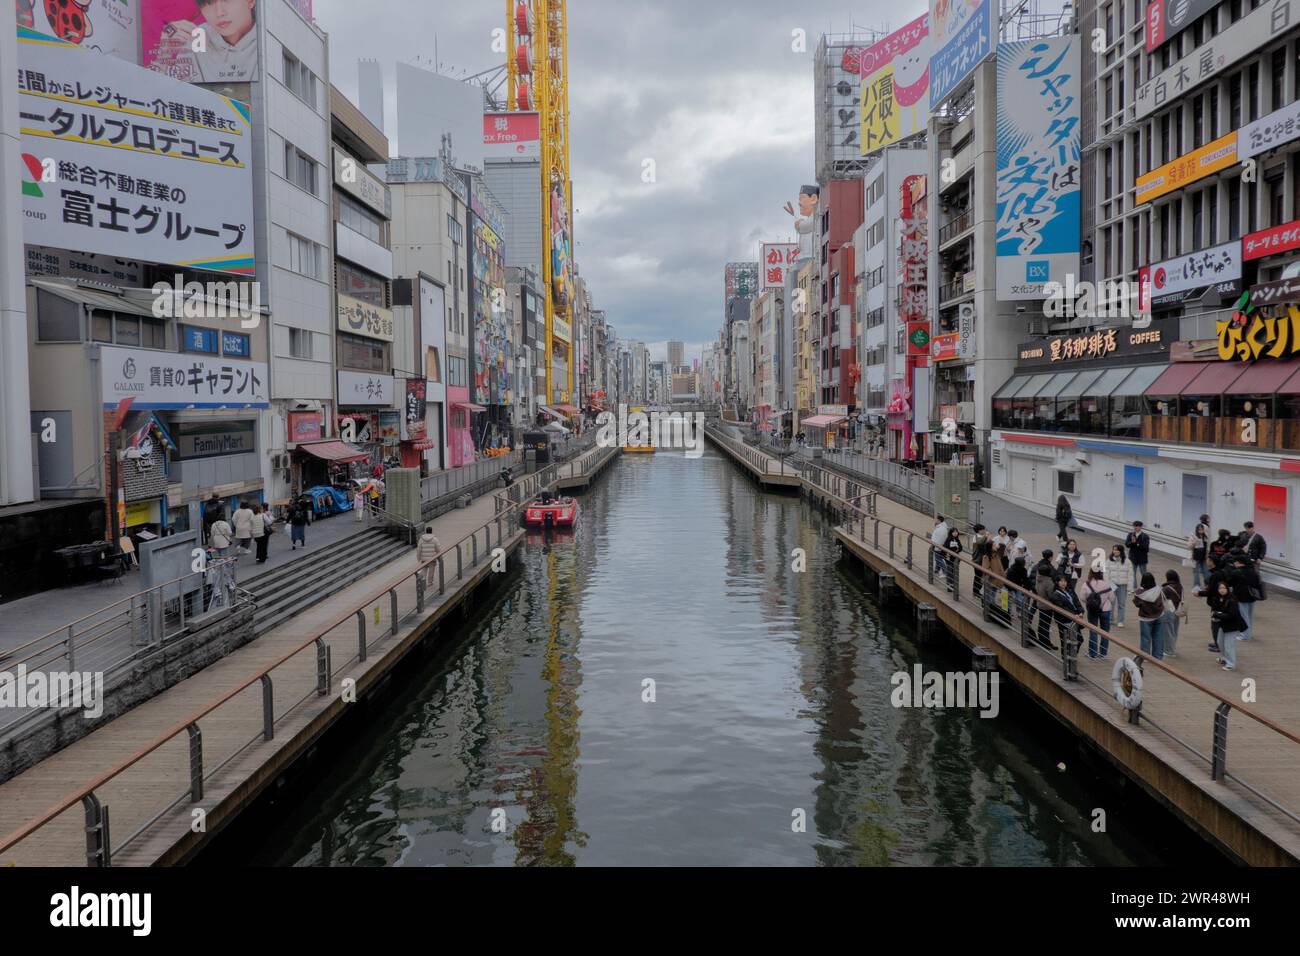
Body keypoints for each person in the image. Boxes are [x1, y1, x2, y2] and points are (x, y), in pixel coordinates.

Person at [1208, 580, 1247, 671]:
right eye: (1220, 588)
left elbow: (1232, 615)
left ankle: (1231, 664)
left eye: (1223, 588)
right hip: (1224, 625)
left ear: (1227, 589)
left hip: (1232, 626)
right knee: (1220, 642)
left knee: (1229, 645)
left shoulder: (1232, 599)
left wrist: (1217, 614)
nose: (1222, 590)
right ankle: (1224, 658)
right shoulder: (1220, 598)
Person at [1229, 552, 1264, 641]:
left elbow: (1229, 583)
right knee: (1249, 616)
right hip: (1252, 596)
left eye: (1235, 562)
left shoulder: (1236, 572)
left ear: (1240, 562)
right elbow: (1257, 583)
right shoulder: (1253, 571)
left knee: (1243, 616)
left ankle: (1245, 635)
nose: (1234, 563)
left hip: (1241, 597)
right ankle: (1249, 633)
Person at [1083, 568, 1115, 659]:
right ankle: (1103, 653)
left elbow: (1082, 597)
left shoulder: (1086, 584)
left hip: (1092, 610)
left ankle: (1092, 653)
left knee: (1093, 631)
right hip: (1105, 610)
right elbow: (1112, 599)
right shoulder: (1107, 584)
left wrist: (1091, 602)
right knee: (1105, 632)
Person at [1133, 572, 1166, 660]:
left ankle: (1145, 656)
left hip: (1145, 618)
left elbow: (1137, 603)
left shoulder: (1139, 593)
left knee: (1145, 637)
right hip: (1159, 616)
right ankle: (1158, 656)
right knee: (1158, 637)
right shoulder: (1158, 589)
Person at [1051, 574, 1085, 651]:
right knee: (1065, 642)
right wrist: (1074, 615)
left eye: (1065, 581)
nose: (1063, 583)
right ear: (1057, 582)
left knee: (1079, 640)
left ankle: (1071, 657)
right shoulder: (1055, 595)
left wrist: (1081, 611)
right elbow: (1063, 608)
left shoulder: (1069, 591)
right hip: (1064, 620)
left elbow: (1076, 602)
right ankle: (1066, 659)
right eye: (1061, 581)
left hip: (1074, 620)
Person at [1033, 549, 1058, 649]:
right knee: (1046, 625)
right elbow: (1051, 595)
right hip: (1047, 606)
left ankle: (1042, 640)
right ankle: (1046, 642)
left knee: (1041, 623)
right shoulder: (1048, 582)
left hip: (1040, 603)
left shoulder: (1038, 578)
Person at [1161, 569, 1184, 658]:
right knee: (1174, 631)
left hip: (1168, 611)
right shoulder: (1180, 586)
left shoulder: (1166, 588)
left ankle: (1169, 650)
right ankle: (1172, 647)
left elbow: (1161, 599)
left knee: (1168, 631)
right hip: (1177, 610)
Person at [417, 525, 441, 589]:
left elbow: (419, 549)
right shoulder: (435, 539)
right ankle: (430, 582)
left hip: (424, 559)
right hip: (432, 559)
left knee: (424, 571)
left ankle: (423, 582)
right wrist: (439, 557)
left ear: (426, 531)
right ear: (431, 531)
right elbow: (438, 549)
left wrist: (418, 558)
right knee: (431, 571)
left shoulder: (421, 539)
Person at [1188, 517, 1210, 588]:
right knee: (1196, 572)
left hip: (1203, 556)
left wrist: (1207, 554)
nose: (1201, 531)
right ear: (1197, 530)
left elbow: (1207, 546)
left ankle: (1207, 584)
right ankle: (1197, 585)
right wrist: (1194, 543)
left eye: (1202, 529)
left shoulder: (1205, 536)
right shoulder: (1193, 536)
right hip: (1195, 556)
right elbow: (1189, 546)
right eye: (1199, 530)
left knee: (1206, 571)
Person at [943, 526, 963, 590]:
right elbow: (947, 547)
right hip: (949, 558)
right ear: (951, 533)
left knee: (954, 572)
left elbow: (961, 548)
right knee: (950, 571)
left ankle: (954, 584)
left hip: (956, 558)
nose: (955, 533)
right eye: (954, 532)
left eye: (956, 532)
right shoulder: (948, 539)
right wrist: (956, 549)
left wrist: (956, 549)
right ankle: (949, 585)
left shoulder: (957, 539)